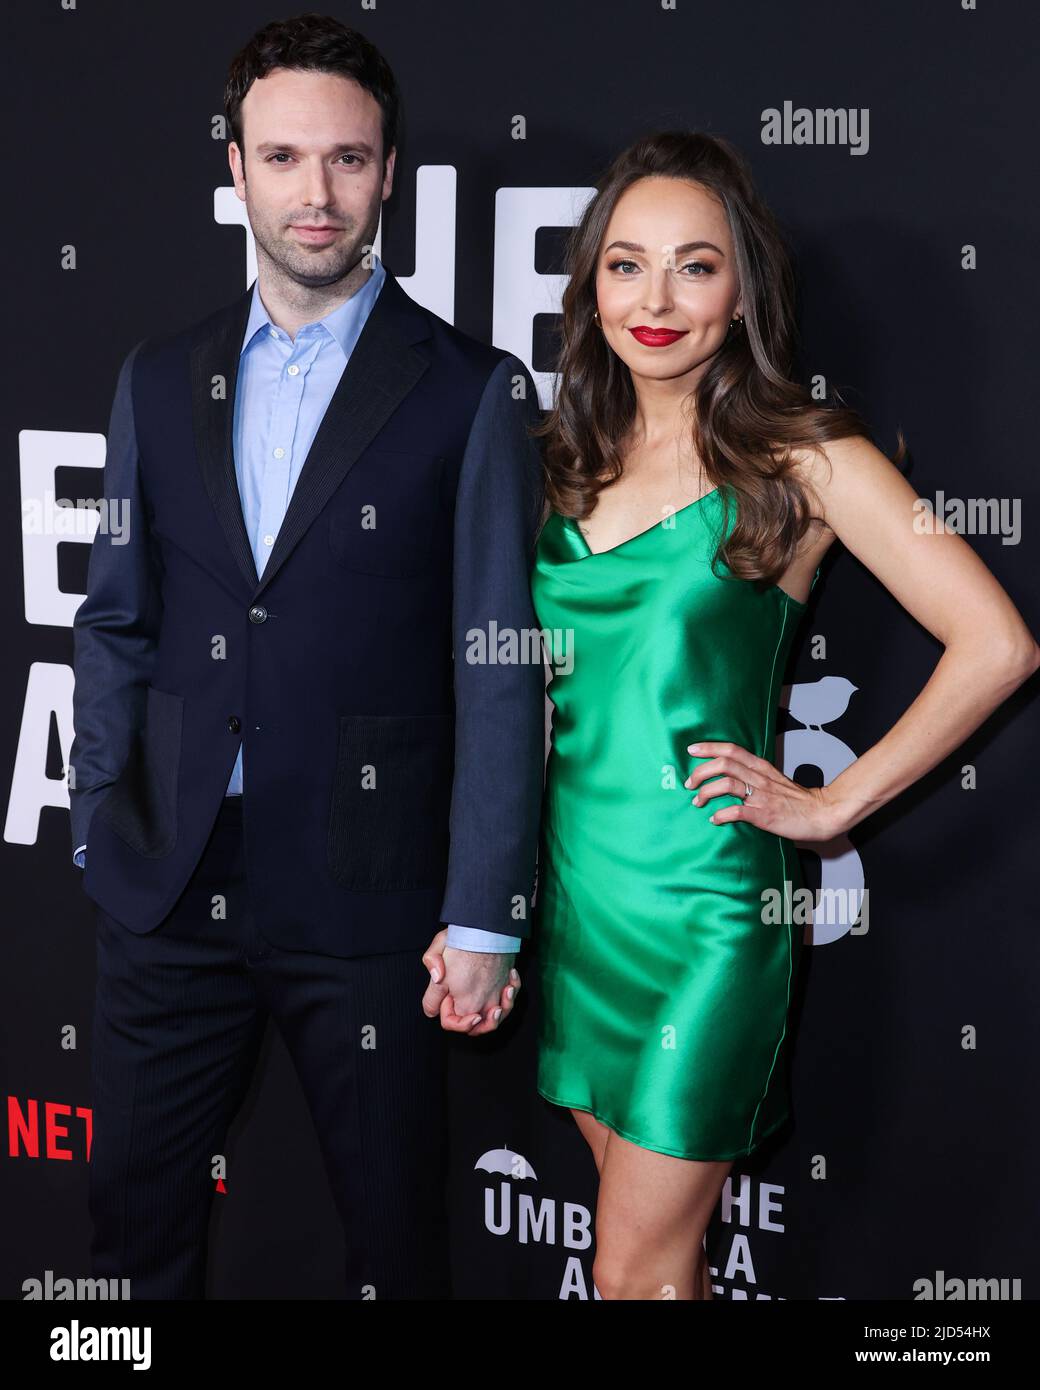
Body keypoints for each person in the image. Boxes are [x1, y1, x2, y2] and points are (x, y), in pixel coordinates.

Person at [68, 14, 543, 1299]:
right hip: (171, 879)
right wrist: (95, 816)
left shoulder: (468, 389)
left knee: (393, 1243)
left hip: (372, 895)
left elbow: (497, 661)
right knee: (131, 1243)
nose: (315, 194)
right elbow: (114, 617)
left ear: (389, 172)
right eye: (282, 158)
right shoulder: (158, 379)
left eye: (345, 159)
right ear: (234, 171)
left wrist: (482, 908)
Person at [527, 129, 1040, 1301]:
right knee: (663, 1270)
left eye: (693, 266)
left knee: (629, 1274)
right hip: (573, 902)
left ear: (742, 288)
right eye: (625, 264)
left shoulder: (803, 459)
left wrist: (832, 804)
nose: (654, 299)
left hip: (708, 910)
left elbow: (996, 642)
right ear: (589, 285)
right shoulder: (561, 459)